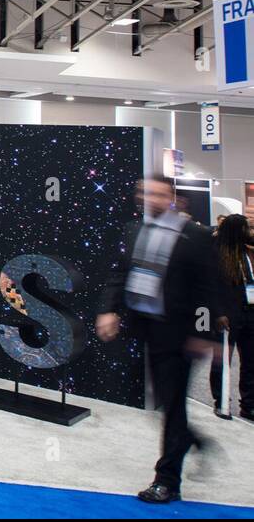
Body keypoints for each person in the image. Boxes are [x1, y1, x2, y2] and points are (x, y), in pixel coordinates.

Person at [96, 175, 227, 504]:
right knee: (158, 401)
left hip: (178, 334)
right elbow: (120, 273)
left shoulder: (195, 235)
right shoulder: (134, 230)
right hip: (143, 328)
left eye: (157, 193)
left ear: (171, 197)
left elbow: (211, 286)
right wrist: (109, 310)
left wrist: (204, 335)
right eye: (144, 192)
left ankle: (167, 480)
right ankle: (192, 440)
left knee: (172, 405)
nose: (149, 198)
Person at [211, 213, 254, 420]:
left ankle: (249, 405)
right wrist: (218, 313)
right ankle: (221, 402)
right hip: (227, 316)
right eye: (246, 228)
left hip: (250, 313)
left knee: (251, 361)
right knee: (222, 360)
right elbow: (210, 287)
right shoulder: (218, 254)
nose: (250, 232)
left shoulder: (247, 252)